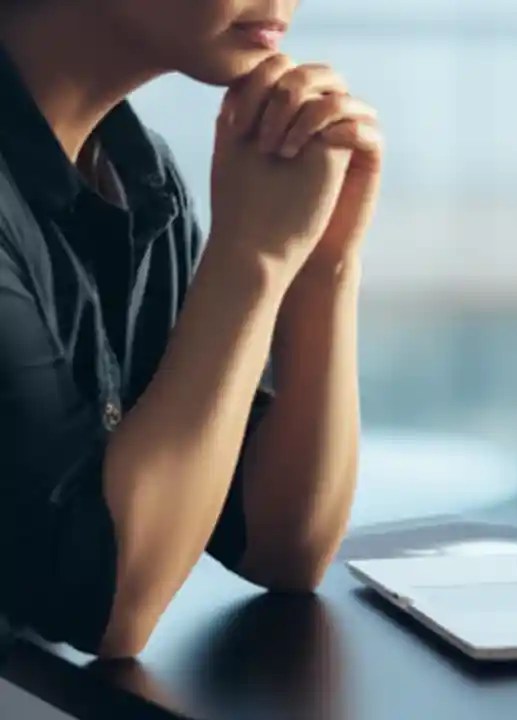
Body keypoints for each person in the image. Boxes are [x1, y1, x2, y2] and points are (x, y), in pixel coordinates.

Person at [0, 1, 382, 659]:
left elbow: (282, 543)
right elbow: (105, 607)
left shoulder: (133, 171)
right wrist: (251, 256)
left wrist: (324, 264)